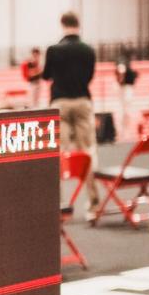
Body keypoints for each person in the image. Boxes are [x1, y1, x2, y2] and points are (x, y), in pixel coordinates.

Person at [42, 11, 98, 211]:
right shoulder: (89, 50)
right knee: (87, 151)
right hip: (82, 100)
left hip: (60, 103)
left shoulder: (53, 50)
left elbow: (46, 75)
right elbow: (90, 76)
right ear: (78, 24)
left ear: (62, 24)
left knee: (59, 153)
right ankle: (93, 201)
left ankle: (58, 203)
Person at [114, 54, 139, 139]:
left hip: (127, 89)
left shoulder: (125, 67)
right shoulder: (122, 66)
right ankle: (122, 131)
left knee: (126, 111)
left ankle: (126, 131)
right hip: (124, 89)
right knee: (124, 111)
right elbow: (121, 76)